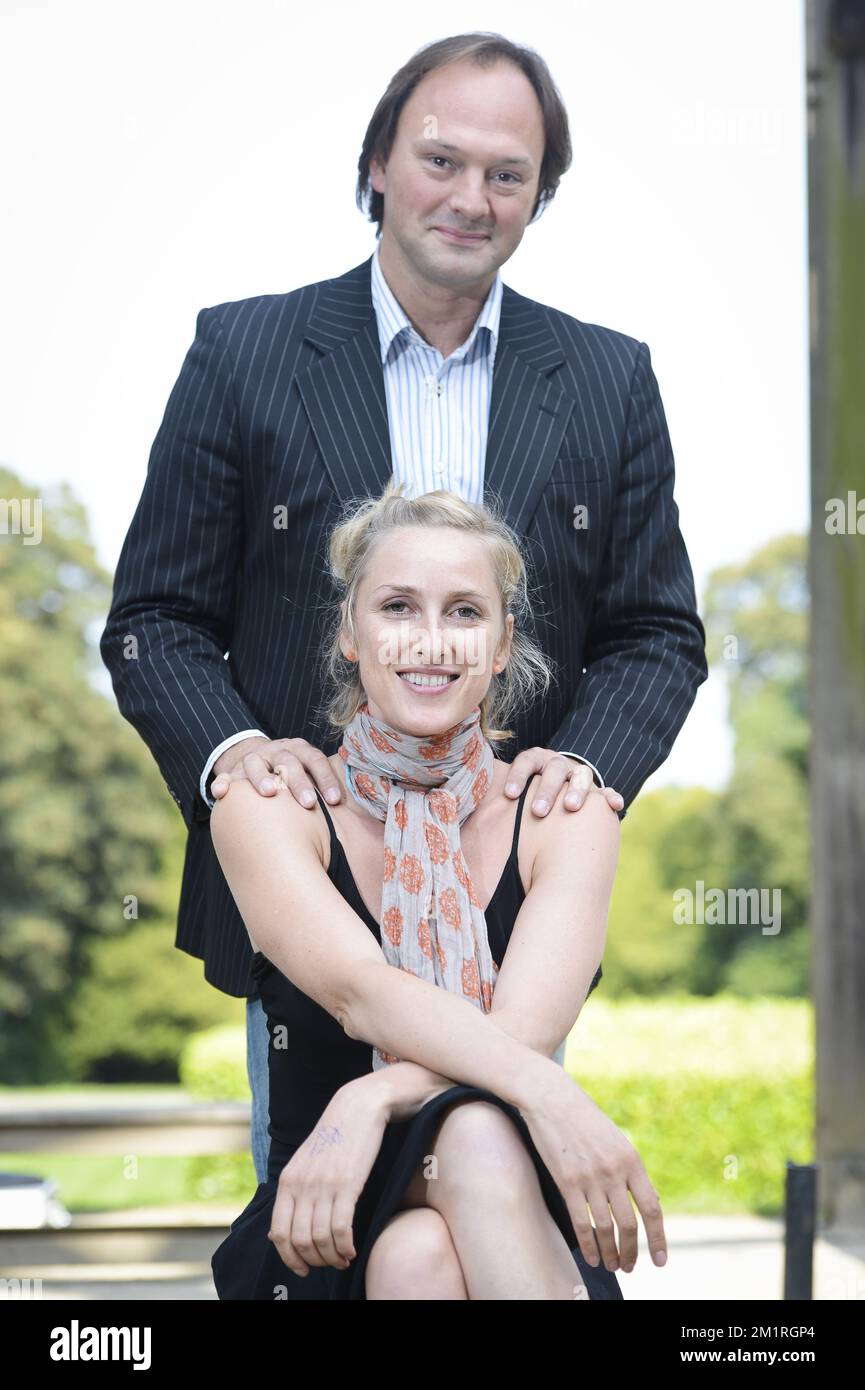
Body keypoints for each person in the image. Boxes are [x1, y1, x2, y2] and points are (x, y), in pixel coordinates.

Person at [99, 31, 708, 1188]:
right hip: (309, 887)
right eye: (441, 160)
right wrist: (237, 758)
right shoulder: (243, 353)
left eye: (507, 173)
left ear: (539, 193)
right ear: (377, 162)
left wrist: (581, 772)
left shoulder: (607, 380)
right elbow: (155, 619)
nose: (471, 197)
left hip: (510, 899)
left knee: (487, 1181)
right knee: (320, 1220)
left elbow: (656, 635)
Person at [209, 482, 666, 1300]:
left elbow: (520, 1036)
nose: (431, 641)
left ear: (501, 643)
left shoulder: (566, 813)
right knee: (468, 1146)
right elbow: (362, 994)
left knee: (433, 1225)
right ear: (349, 633)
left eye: (463, 612)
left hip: (503, 1198)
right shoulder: (269, 804)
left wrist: (371, 1096)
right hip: (323, 1215)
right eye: (396, 607)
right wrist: (556, 1098)